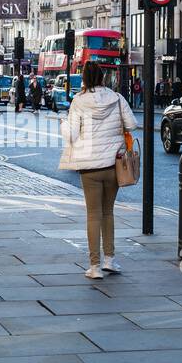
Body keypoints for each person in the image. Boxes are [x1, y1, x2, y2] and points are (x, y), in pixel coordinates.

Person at [59, 62, 137, 280]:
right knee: (108, 213)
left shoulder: (79, 101)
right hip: (114, 164)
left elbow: (72, 135)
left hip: (90, 165)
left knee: (93, 215)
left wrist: (63, 124)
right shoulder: (117, 98)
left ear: (84, 78)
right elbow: (132, 124)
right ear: (102, 77)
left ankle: (94, 266)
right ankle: (110, 260)